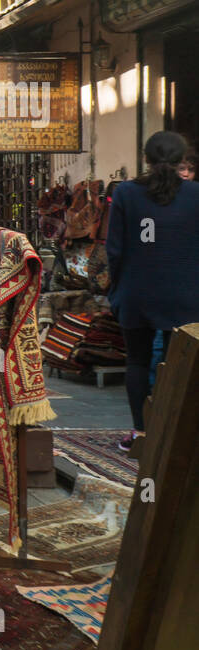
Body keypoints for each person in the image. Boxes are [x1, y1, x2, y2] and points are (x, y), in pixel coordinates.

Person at [107, 130, 199, 452]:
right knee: (182, 366)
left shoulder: (126, 194)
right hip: (186, 294)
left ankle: (141, 432)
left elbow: (115, 250)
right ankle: (175, 433)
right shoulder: (196, 195)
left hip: (137, 291)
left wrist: (116, 290)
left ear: (145, 158)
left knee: (137, 361)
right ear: (181, 160)